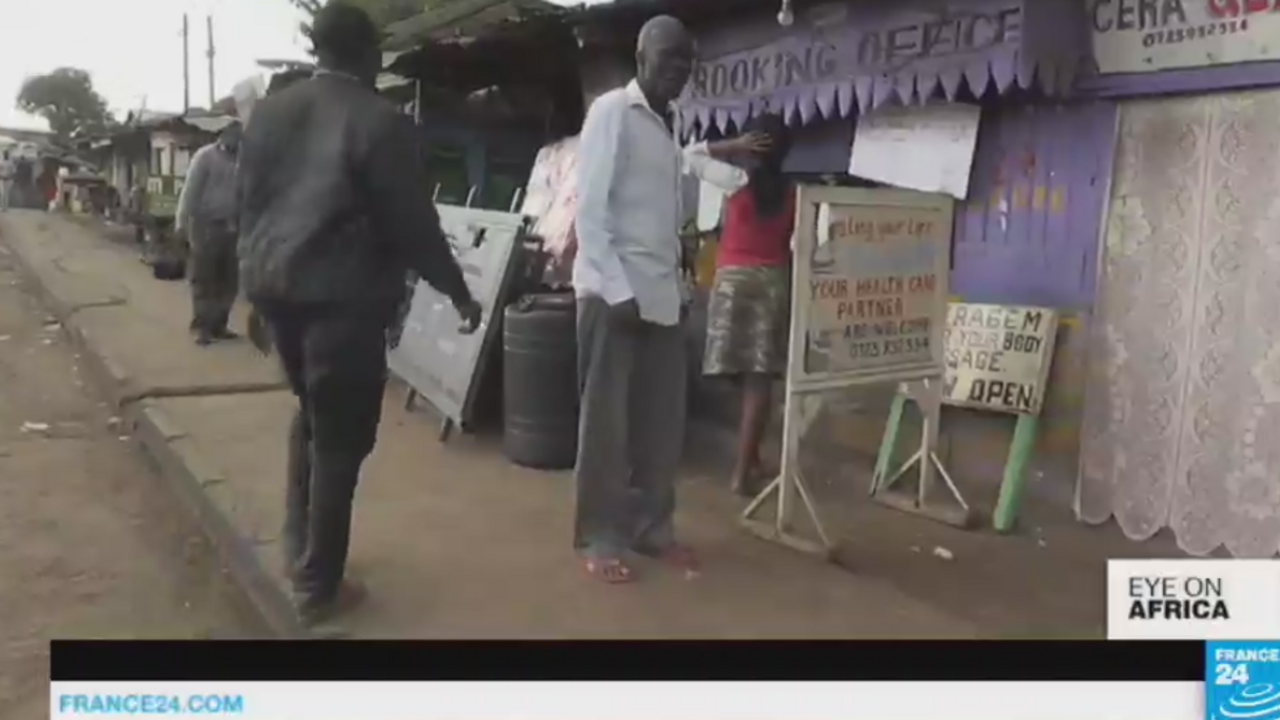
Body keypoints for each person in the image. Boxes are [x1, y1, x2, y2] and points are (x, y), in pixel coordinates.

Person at [236, 2, 482, 626]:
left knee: (312, 417)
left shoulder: (270, 114)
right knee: (341, 439)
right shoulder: (379, 121)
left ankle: (299, 548)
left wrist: (253, 297)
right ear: (368, 54)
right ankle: (318, 586)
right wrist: (458, 291)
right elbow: (411, 222)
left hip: (279, 295)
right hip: (341, 303)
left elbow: (249, 209)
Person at [572, 14, 769, 583]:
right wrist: (617, 291)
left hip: (661, 297)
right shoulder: (612, 112)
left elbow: (664, 216)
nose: (678, 69)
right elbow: (591, 212)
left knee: (660, 426)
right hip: (613, 295)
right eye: (668, 58)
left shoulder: (671, 124)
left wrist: (679, 288)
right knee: (607, 427)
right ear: (641, 60)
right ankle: (602, 537)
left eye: (686, 61)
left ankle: (652, 530)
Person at [701, 113, 793, 497]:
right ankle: (747, 465)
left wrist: (731, 146)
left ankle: (744, 466)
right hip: (771, 281)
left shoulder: (734, 179)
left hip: (732, 280)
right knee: (759, 378)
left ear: (750, 145)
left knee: (741, 372)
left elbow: (686, 156)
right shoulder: (792, 192)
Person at [177, 122, 243, 345]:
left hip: (233, 226)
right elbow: (190, 192)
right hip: (205, 225)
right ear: (222, 133)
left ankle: (219, 324)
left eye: (240, 133)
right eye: (233, 132)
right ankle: (202, 327)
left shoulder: (244, 160)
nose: (236, 137)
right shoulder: (205, 157)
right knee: (204, 278)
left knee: (229, 279)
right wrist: (181, 223)